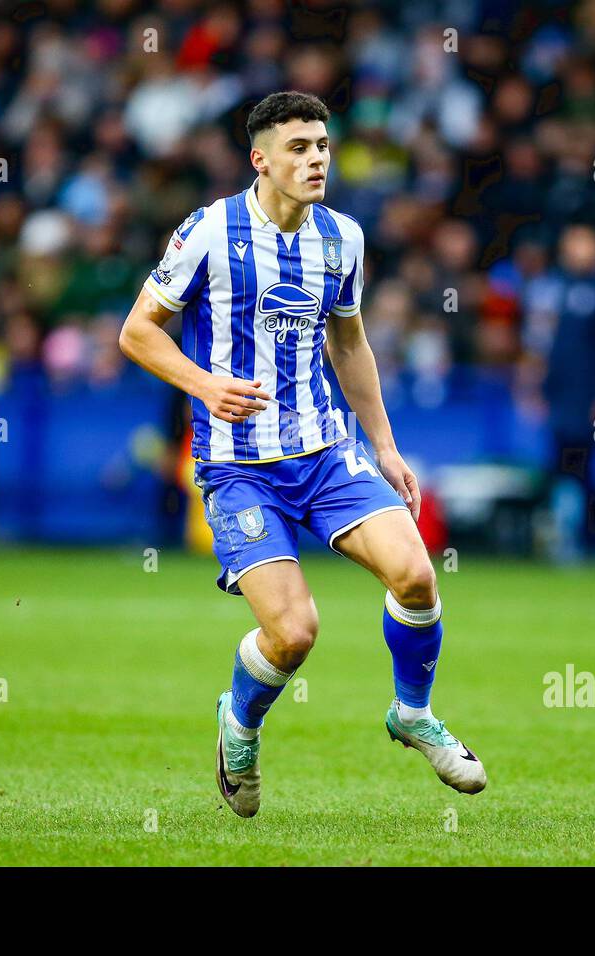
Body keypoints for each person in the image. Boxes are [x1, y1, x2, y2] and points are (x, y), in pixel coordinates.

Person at [118, 91, 486, 817]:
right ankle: (240, 723)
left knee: (415, 575)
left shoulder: (342, 237)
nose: (317, 158)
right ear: (261, 160)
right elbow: (137, 331)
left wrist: (384, 445)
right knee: (293, 634)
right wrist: (204, 384)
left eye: (322, 145)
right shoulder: (209, 232)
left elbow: (348, 341)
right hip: (237, 467)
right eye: (299, 147)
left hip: (324, 452)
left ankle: (411, 712)